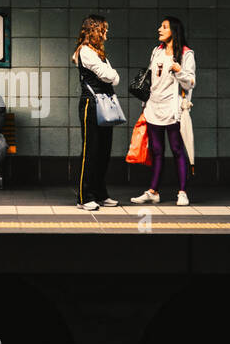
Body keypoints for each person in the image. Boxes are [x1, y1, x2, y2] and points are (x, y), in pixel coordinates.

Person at [131, 17, 196, 206]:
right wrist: (145, 104)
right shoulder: (157, 51)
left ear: (174, 31)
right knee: (157, 150)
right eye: (160, 26)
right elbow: (152, 79)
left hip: (172, 109)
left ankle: (182, 192)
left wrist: (179, 71)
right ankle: (153, 191)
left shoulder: (186, 54)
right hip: (154, 106)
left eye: (164, 27)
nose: (159, 29)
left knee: (177, 149)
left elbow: (191, 83)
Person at [72, 14, 121, 211]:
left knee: (103, 151)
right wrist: (113, 74)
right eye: (104, 29)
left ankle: (100, 193)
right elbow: (108, 75)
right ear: (95, 30)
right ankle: (84, 197)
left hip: (103, 104)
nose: (106, 33)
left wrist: (112, 75)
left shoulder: (99, 54)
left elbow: (112, 77)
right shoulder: (84, 51)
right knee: (90, 151)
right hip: (90, 105)